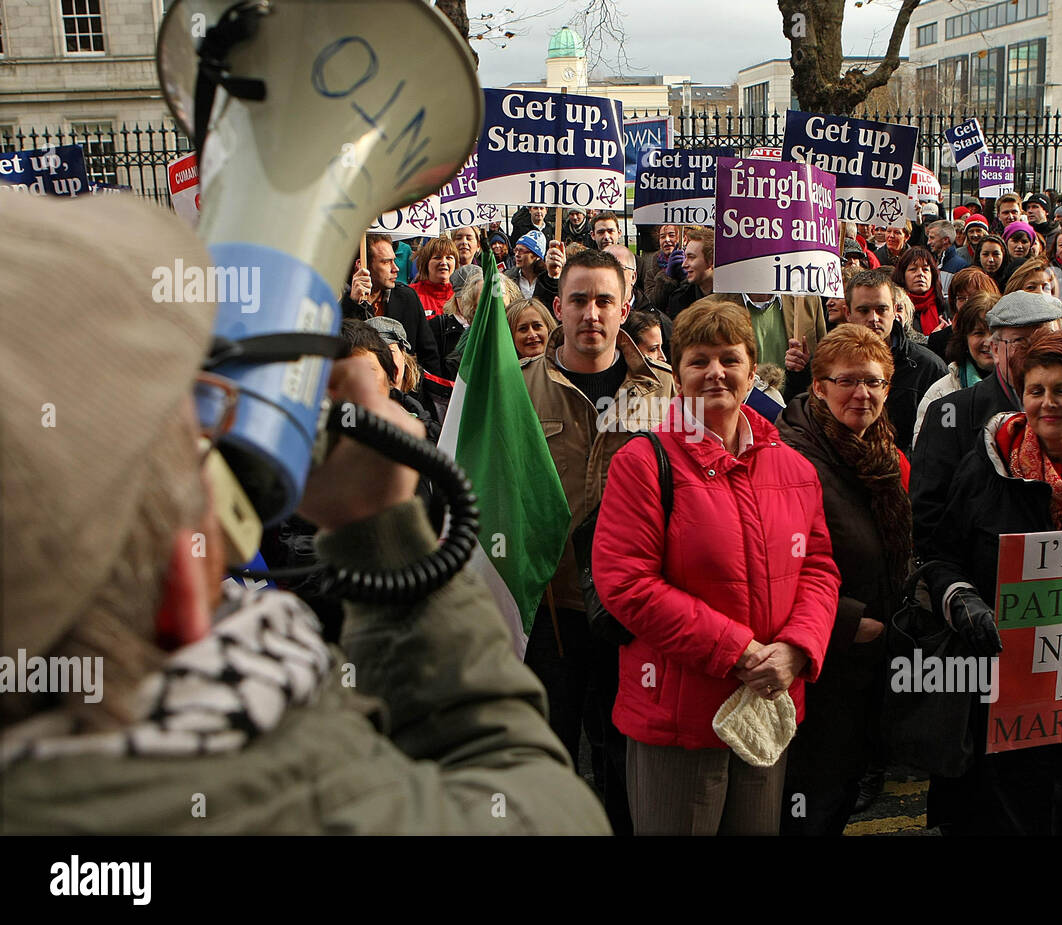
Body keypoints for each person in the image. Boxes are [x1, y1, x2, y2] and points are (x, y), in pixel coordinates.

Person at [0, 193, 610, 836]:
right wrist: (383, 530)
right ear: (181, 580)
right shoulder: (281, 779)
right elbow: (546, 809)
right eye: (196, 425)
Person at [590, 299, 840, 836]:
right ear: (677, 375)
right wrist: (738, 651)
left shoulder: (793, 466)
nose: (715, 373)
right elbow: (626, 584)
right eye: (698, 360)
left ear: (754, 369)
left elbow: (818, 567)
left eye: (729, 358)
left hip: (767, 702)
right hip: (678, 717)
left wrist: (797, 649)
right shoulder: (643, 462)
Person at [921, 329, 1062, 835]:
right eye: (1035, 390)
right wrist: (964, 602)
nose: (1047, 403)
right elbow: (940, 556)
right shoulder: (983, 467)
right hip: (1002, 688)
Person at [521, 248, 676, 835]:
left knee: (623, 757)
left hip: (633, 612)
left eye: (604, 300)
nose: (591, 313)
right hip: (551, 611)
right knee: (551, 753)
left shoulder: (662, 393)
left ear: (624, 307)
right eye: (579, 300)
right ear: (557, 306)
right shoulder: (519, 390)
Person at [774, 325, 911, 836]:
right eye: (848, 380)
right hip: (822, 655)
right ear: (818, 387)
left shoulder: (878, 448)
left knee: (844, 782)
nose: (863, 393)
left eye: (875, 382)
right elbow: (782, 566)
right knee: (813, 792)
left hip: (868, 655)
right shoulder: (792, 455)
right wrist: (851, 623)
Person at [910, 290, 1062, 559]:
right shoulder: (950, 414)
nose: (1038, 353)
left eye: (1048, 340)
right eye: (1021, 342)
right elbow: (928, 516)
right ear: (995, 349)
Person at [844, 268, 946, 452]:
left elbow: (944, 435)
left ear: (894, 310)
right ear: (848, 313)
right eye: (864, 310)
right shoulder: (832, 364)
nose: (874, 319)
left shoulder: (929, 367)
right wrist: (798, 373)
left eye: (881, 309)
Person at [341, 233, 441, 386]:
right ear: (362, 266)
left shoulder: (407, 298)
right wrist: (352, 304)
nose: (396, 269)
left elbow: (428, 354)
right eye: (386, 262)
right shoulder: (342, 305)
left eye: (394, 260)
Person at [912, 290, 998, 448]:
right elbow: (929, 455)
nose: (988, 341)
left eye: (994, 332)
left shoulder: (1023, 389)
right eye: (978, 333)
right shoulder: (942, 394)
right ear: (964, 339)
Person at [653, 226, 716, 316]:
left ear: (711, 260)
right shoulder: (679, 299)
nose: (684, 264)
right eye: (685, 257)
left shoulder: (735, 299)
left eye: (691, 257)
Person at [892, 246, 950, 335]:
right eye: (913, 269)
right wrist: (933, 339)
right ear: (902, 275)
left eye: (925, 269)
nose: (920, 274)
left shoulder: (945, 307)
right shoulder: (895, 309)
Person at [410, 236, 457, 318]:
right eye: (437, 258)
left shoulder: (463, 295)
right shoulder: (411, 295)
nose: (443, 262)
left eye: (449, 258)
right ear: (426, 263)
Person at [636, 223, 680, 292]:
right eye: (662, 237)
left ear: (684, 239)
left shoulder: (691, 267)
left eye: (671, 235)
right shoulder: (651, 274)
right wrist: (665, 276)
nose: (667, 240)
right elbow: (652, 300)